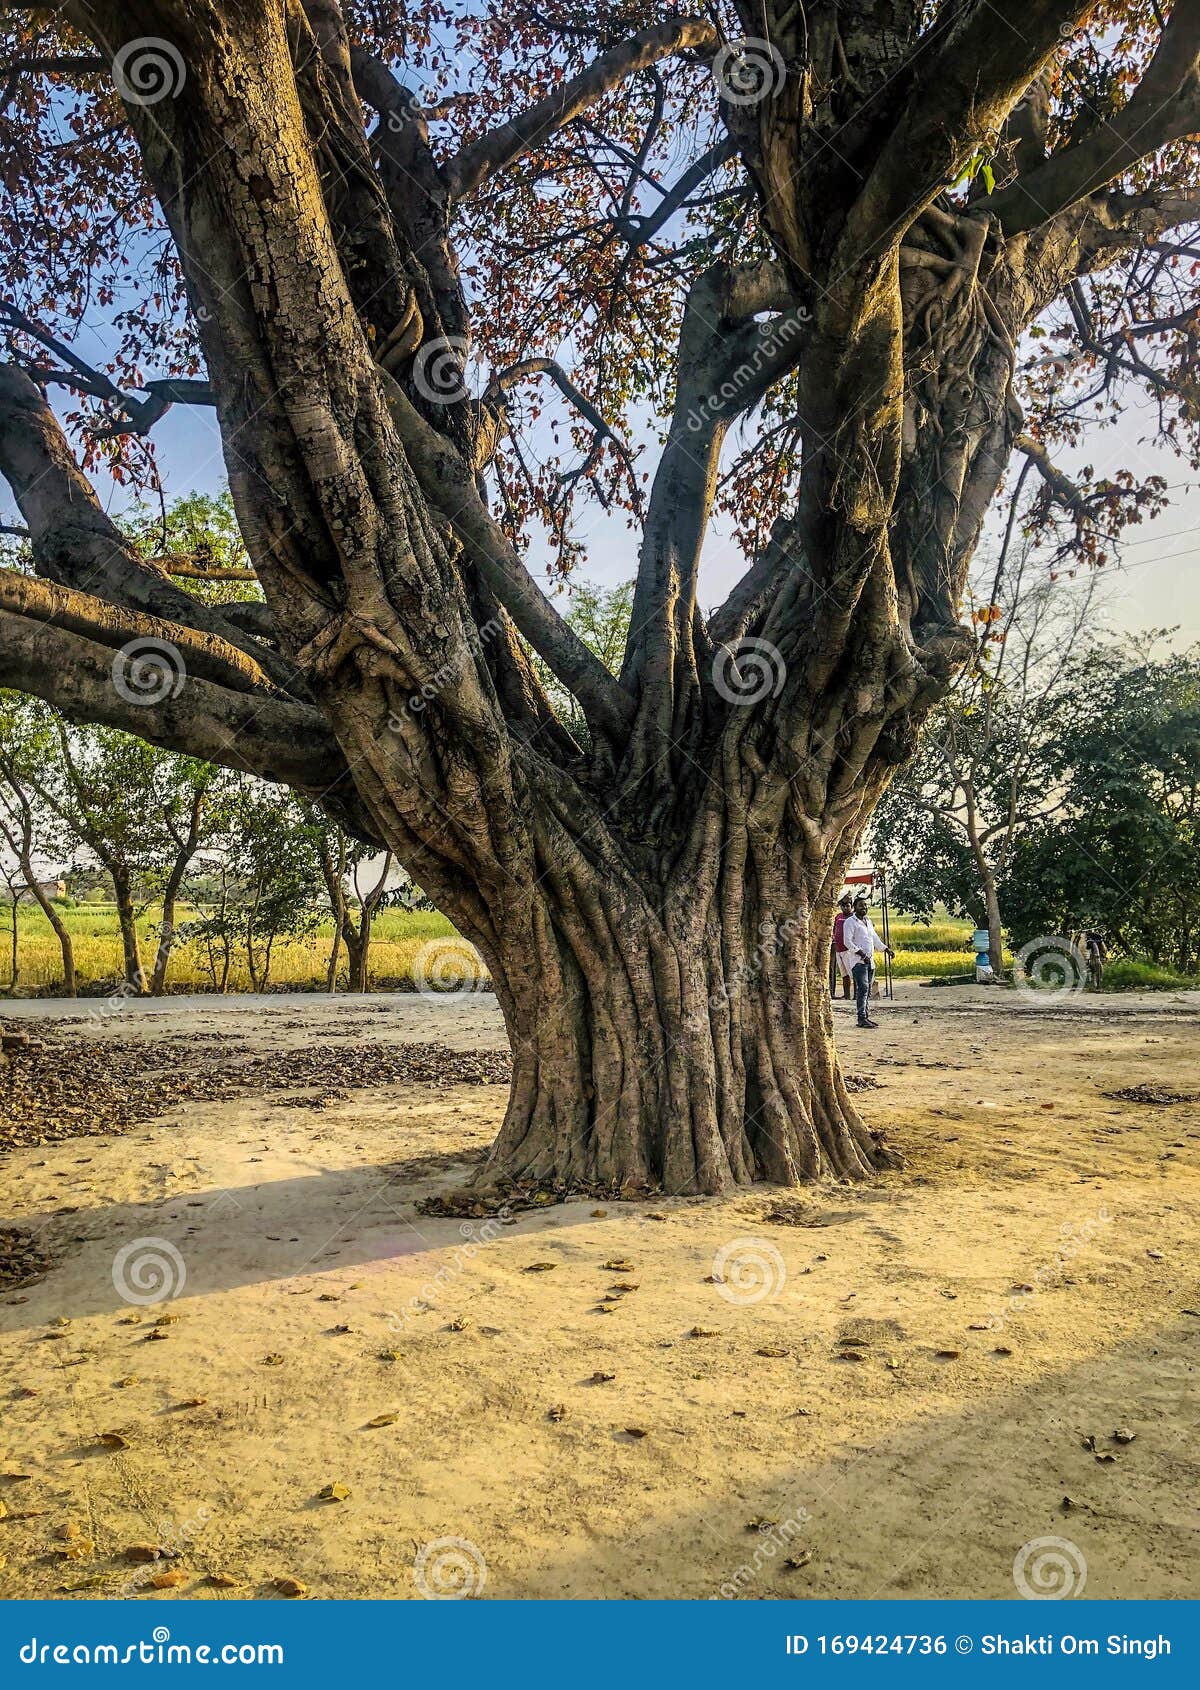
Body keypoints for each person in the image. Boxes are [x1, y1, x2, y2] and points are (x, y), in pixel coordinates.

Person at [842, 895, 894, 1029]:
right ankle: (861, 1018)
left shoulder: (867, 921)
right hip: (858, 962)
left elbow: (874, 938)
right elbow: (847, 942)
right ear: (854, 907)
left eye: (865, 905)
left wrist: (886, 949)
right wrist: (861, 954)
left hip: (869, 961)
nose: (864, 908)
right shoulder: (850, 922)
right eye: (860, 905)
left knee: (868, 990)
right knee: (863, 989)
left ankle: (865, 1016)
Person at [832, 892, 854, 999]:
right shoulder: (838, 917)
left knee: (852, 973)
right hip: (838, 949)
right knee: (844, 974)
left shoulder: (854, 917)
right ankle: (847, 996)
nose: (845, 908)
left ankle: (856, 996)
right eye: (843, 906)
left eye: (847, 906)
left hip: (848, 950)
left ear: (851, 906)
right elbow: (833, 929)